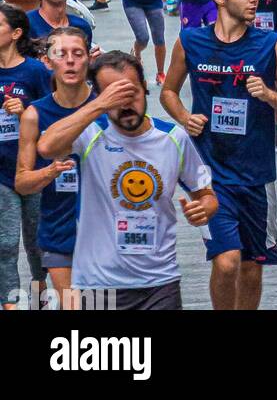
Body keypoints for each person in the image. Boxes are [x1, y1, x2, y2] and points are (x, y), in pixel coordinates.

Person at [160, 0, 277, 310]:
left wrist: (269, 96)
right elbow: (168, 90)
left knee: (252, 267)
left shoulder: (273, 45)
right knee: (225, 261)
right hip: (210, 172)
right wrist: (184, 116)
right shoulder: (191, 42)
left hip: (256, 174)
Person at [37, 50, 217, 310]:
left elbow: (207, 196)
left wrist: (204, 209)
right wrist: (97, 106)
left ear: (145, 88)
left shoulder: (173, 138)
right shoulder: (90, 134)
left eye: (131, 93)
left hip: (160, 282)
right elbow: (46, 147)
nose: (125, 105)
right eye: (114, 98)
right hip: (98, 284)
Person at [14, 25, 94, 308]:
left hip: (105, 231)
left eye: (78, 53)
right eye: (61, 54)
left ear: (89, 59)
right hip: (59, 229)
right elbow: (22, 182)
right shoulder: (35, 114)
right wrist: (50, 171)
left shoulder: (105, 107)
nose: (70, 60)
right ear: (47, 61)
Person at [0, 4, 50, 309]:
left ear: (16, 34)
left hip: (32, 169)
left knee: (36, 244)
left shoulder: (34, 71)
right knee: (5, 242)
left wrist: (26, 110)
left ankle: (40, 297)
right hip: (0, 172)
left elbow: (51, 117)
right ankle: (10, 304)